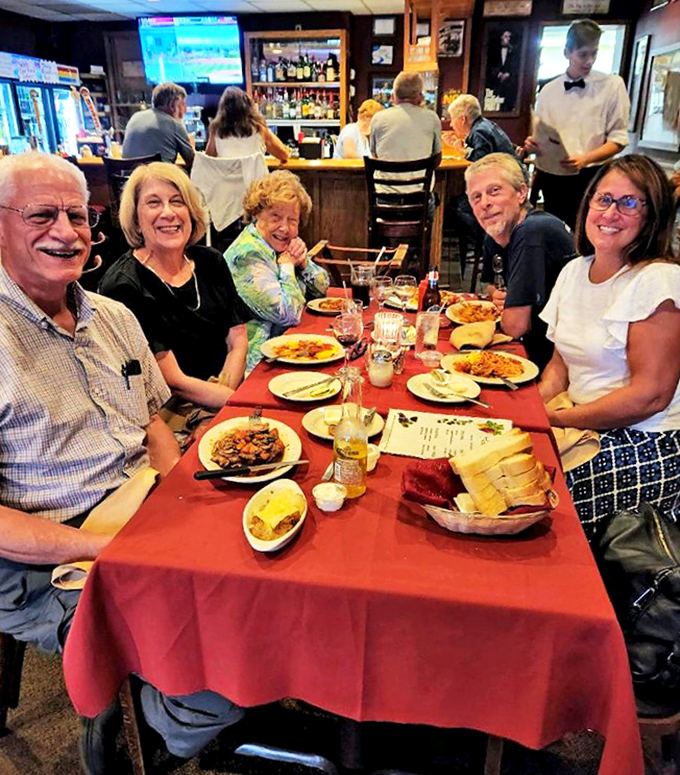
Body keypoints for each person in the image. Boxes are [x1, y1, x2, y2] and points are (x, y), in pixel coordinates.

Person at [0, 152, 244, 772]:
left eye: (78, 216)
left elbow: (153, 422)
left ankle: (150, 702)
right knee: (220, 655)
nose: (66, 232)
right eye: (41, 215)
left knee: (260, 586)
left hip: (141, 504)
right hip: (46, 550)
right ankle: (145, 734)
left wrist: (177, 493)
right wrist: (103, 549)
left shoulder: (112, 316)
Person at [538, 154, 680, 542]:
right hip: (580, 423)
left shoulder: (658, 280)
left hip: (641, 442)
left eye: (629, 202)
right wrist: (531, 411)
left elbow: (651, 396)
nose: (610, 213)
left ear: (653, 216)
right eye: (603, 199)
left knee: (536, 507)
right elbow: (560, 367)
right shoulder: (574, 271)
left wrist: (559, 419)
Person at [99, 162, 251, 420]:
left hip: (226, 391)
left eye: (177, 202)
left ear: (191, 213)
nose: (168, 213)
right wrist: (239, 404)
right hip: (168, 412)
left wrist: (227, 394)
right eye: (154, 203)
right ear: (136, 221)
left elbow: (238, 341)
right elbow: (173, 381)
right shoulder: (125, 285)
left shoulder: (210, 261)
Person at [466, 152, 575, 372]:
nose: (485, 203)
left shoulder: (532, 232)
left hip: (558, 364)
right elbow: (490, 284)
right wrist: (499, 295)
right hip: (536, 350)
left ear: (521, 193)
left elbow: (516, 326)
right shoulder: (495, 233)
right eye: (476, 197)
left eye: (494, 191)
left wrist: (510, 306)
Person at [524, 19, 630, 230]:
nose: (589, 61)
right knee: (556, 233)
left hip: (592, 176)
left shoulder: (612, 86)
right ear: (567, 52)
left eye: (594, 53)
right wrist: (533, 145)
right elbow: (542, 135)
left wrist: (585, 159)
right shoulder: (548, 91)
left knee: (589, 232)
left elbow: (618, 140)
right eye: (583, 54)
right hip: (553, 176)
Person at [224, 170, 330, 374]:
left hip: (286, 350)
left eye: (292, 220)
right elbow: (288, 315)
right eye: (276, 217)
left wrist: (303, 263)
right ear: (256, 214)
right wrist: (288, 266)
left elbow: (323, 288)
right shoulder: (247, 255)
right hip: (258, 365)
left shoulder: (278, 245)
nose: (284, 228)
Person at [444, 94, 521, 249]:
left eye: (452, 119)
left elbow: (482, 162)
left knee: (456, 206)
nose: (451, 124)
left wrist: (461, 149)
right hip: (508, 183)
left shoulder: (479, 131)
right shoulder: (485, 125)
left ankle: (489, 239)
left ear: (462, 119)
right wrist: (461, 146)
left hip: (503, 189)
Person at [370, 71, 442, 166]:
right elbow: (436, 159)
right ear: (420, 97)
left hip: (383, 176)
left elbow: (374, 154)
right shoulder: (432, 118)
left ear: (392, 96)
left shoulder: (378, 118)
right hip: (422, 176)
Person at [205, 86, 289, 162]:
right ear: (248, 106)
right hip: (255, 175)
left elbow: (208, 159)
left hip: (225, 175)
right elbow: (283, 155)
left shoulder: (216, 130)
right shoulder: (259, 128)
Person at [123, 82, 195, 167]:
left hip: (129, 174)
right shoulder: (173, 124)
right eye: (182, 105)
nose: (185, 110)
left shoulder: (135, 117)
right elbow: (193, 163)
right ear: (172, 106)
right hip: (158, 175)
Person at [485, 29, 518, 113]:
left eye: (509, 37)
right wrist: (497, 73)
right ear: (501, 37)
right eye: (506, 36)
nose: (508, 39)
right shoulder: (494, 51)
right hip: (494, 83)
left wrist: (508, 74)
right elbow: (490, 65)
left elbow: (515, 66)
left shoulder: (513, 52)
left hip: (508, 85)